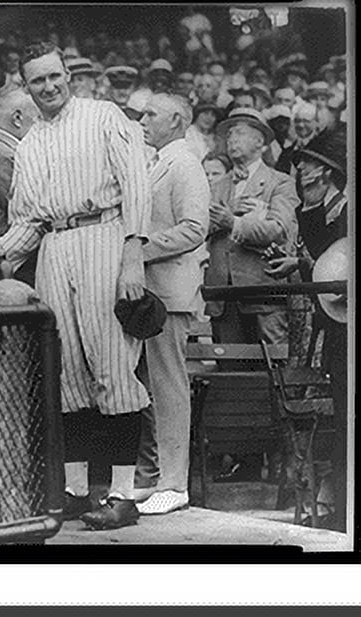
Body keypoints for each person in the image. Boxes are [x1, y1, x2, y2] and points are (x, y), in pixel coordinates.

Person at [0, 43, 152, 531]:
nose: (49, 86)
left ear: (68, 75)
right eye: (37, 80)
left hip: (104, 235)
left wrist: (133, 253)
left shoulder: (103, 116)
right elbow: (26, 222)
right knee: (69, 374)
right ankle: (78, 491)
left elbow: (136, 184)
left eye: (55, 76)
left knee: (114, 368)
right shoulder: (32, 142)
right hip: (55, 247)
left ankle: (124, 497)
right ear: (26, 85)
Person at [264, 139, 347, 531]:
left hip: (350, 322)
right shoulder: (310, 211)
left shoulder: (349, 210)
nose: (299, 172)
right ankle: (333, 503)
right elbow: (321, 261)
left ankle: (347, 504)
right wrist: (297, 262)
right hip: (327, 320)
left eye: (308, 165)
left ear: (326, 171)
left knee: (349, 413)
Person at [134, 94, 210, 515]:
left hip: (171, 293)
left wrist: (138, 250)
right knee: (149, 387)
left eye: (151, 114)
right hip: (151, 293)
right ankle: (156, 477)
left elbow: (194, 228)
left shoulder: (184, 163)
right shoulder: (158, 160)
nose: (143, 119)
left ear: (177, 121)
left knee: (168, 387)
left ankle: (174, 483)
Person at [204, 107, 299, 347]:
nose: (232, 139)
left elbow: (277, 229)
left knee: (273, 371)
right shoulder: (216, 185)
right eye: (229, 135)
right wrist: (229, 214)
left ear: (260, 142)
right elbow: (198, 229)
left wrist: (232, 222)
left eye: (240, 133)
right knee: (229, 374)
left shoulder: (281, 182)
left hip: (263, 292)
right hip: (222, 298)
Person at [0, 87, 40, 285]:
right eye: (36, 118)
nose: (39, 125)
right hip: (12, 263)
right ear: (17, 118)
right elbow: (27, 210)